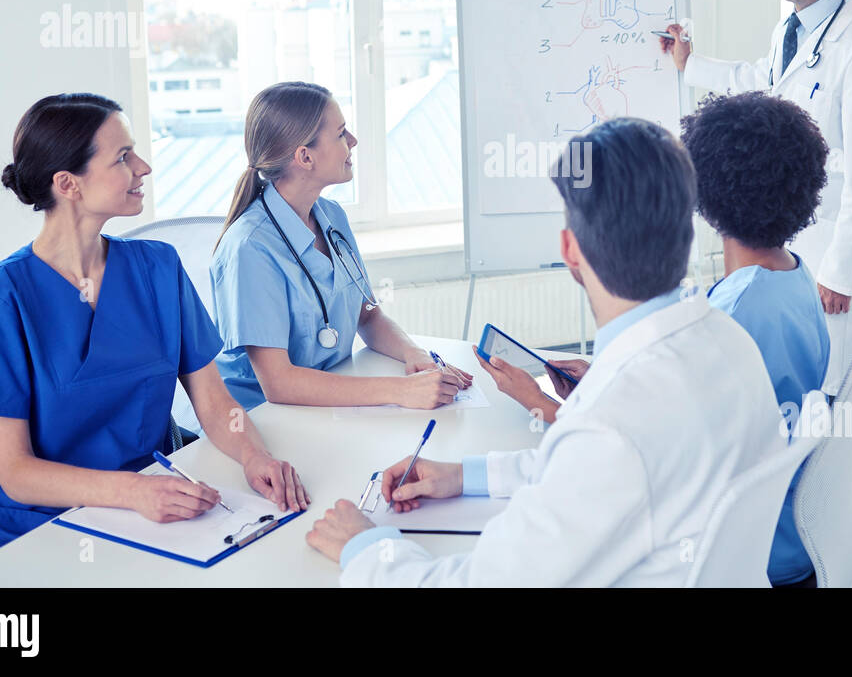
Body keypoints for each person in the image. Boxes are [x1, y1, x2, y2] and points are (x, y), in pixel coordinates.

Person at [304, 118, 789, 586]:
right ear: (685, 236)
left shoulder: (615, 424)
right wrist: (463, 475)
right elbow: (582, 470)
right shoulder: (727, 338)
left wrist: (366, 548)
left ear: (569, 249)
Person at [0, 94, 307, 555]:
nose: (144, 167)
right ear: (68, 184)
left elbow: (213, 402)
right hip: (43, 530)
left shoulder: (157, 268)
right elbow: (15, 472)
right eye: (123, 157)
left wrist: (255, 457)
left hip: (153, 507)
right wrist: (131, 492)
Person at [660, 0, 852, 564]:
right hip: (793, 244)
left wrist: (843, 272)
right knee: (828, 390)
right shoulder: (791, 31)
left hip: (826, 260)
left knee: (843, 393)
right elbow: (759, 85)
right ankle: (830, 517)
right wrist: (691, 64)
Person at [210, 81, 470, 412]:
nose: (353, 142)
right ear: (305, 157)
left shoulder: (332, 216)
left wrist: (415, 355)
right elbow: (278, 383)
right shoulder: (249, 248)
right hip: (265, 420)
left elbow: (369, 315)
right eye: (341, 134)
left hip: (331, 402)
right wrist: (401, 391)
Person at [680, 90, 830, 587]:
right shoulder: (795, 276)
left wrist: (545, 407)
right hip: (795, 534)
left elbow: (660, 449)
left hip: (745, 551)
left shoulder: (732, 315)